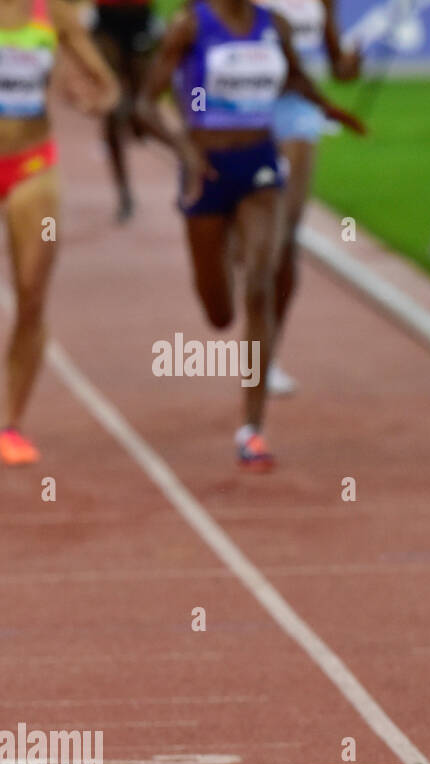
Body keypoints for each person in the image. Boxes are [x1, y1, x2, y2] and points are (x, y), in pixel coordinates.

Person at [135, 0, 363, 472]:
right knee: (220, 315)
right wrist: (184, 149)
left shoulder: (272, 25)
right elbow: (144, 104)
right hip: (208, 170)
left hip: (259, 163)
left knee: (261, 281)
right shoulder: (190, 25)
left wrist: (331, 109)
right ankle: (222, 273)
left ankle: (251, 429)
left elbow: (294, 79)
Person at [0, 0, 118, 467]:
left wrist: (93, 99)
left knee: (31, 293)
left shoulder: (52, 12)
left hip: (31, 164)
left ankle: (9, 423)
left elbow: (108, 87)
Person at [257, 0, 360, 396]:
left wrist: (351, 65)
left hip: (298, 111)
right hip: (243, 110)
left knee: (284, 238)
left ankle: (267, 357)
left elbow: (339, 67)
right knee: (252, 236)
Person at [90, 0, 155, 222]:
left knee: (142, 108)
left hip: (139, 17)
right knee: (112, 106)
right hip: (107, 19)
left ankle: (137, 122)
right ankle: (124, 193)